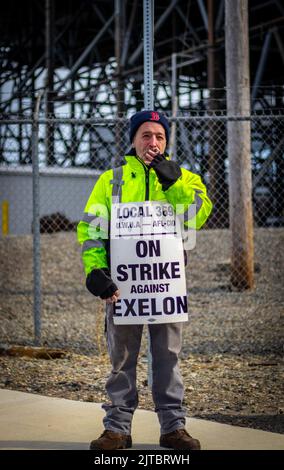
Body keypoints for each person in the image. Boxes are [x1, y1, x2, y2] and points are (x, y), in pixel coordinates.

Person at [77, 110, 212, 450]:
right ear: (134, 139)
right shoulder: (112, 180)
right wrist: (96, 270)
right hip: (123, 288)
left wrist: (173, 182)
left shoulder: (185, 178)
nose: (153, 142)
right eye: (146, 135)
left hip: (164, 286)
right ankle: (117, 429)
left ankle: (173, 429)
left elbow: (196, 217)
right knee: (121, 359)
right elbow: (93, 229)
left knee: (167, 356)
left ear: (166, 142)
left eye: (160, 137)